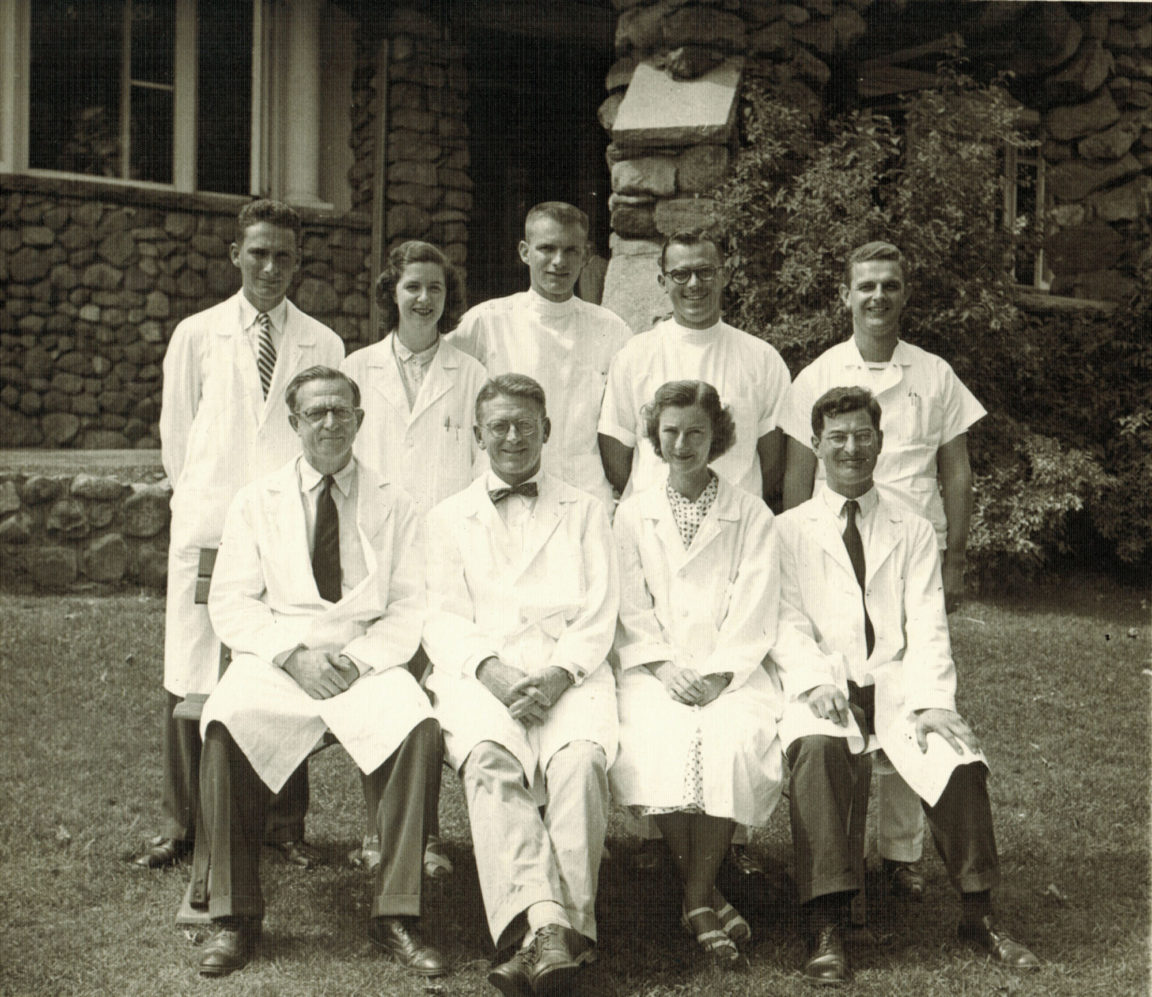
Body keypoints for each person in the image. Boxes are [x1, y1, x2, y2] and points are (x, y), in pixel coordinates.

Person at [772, 386, 1039, 985]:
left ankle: (979, 913)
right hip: (823, 686)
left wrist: (933, 702)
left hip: (896, 687)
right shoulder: (786, 531)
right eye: (837, 437)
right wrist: (813, 681)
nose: (851, 448)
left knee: (956, 755)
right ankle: (826, 924)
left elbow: (927, 624)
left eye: (862, 436)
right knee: (818, 749)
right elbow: (783, 620)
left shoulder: (913, 529)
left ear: (880, 442)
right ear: (815, 444)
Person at [195, 366, 446, 979]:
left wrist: (358, 661)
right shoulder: (256, 501)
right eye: (316, 412)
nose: (331, 423)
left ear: (360, 419)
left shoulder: (396, 502)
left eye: (342, 411)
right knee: (228, 721)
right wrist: (291, 656)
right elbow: (232, 601)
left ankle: (395, 912)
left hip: (365, 659)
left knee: (417, 726)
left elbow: (410, 604)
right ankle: (234, 915)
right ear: (294, 423)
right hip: (281, 657)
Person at [137, 200, 344, 871]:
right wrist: (207, 503)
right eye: (258, 253)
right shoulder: (196, 335)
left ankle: (284, 824)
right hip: (211, 519)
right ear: (235, 255)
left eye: (284, 255)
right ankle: (181, 823)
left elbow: (321, 440)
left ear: (298, 261)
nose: (271, 267)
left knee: (286, 662)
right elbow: (177, 437)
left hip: (287, 527)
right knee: (191, 667)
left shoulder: (322, 342)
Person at [778, 241, 987, 899]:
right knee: (842, 702)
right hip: (831, 542)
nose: (877, 296)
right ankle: (838, 859)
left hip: (908, 545)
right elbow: (797, 477)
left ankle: (901, 854)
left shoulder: (935, 373)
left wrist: (956, 556)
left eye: (889, 285)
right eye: (865, 285)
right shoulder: (816, 374)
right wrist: (796, 543)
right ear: (846, 295)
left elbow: (956, 470)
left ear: (904, 293)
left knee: (913, 686)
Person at [598, 228, 791, 876]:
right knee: (655, 725)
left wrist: (721, 669)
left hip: (727, 546)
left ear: (723, 272)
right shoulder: (636, 354)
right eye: (679, 273)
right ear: (662, 279)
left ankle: (712, 861)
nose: (693, 283)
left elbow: (772, 457)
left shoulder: (760, 357)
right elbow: (617, 448)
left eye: (705, 270)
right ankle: (682, 861)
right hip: (659, 545)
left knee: (733, 730)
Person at [423, 374, 619, 996]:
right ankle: (558, 932)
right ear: (478, 436)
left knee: (580, 763)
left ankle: (537, 934)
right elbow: (441, 617)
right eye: (499, 426)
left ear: (547, 431)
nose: (512, 437)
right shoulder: (447, 518)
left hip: (570, 674)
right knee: (489, 762)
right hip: (482, 678)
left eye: (525, 425)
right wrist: (493, 671)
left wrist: (559, 674)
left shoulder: (586, 510)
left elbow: (601, 612)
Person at [611, 380, 784, 965]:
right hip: (653, 669)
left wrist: (717, 676)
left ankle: (694, 895)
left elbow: (756, 605)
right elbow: (629, 605)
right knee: (657, 736)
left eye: (696, 432)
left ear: (718, 437)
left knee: (729, 741)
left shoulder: (751, 514)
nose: (683, 444)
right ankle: (705, 896)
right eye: (671, 432)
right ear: (654, 437)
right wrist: (663, 668)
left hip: (731, 670)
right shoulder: (632, 514)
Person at [341, 239, 486, 877]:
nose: (424, 299)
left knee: (431, 699)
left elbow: (481, 471)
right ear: (391, 294)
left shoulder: (471, 374)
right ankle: (378, 831)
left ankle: (425, 837)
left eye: (435, 288)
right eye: (412, 287)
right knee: (382, 691)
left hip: (447, 560)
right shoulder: (357, 367)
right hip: (377, 555)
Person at [447, 202, 632, 509]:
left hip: (583, 498)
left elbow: (624, 423)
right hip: (504, 495)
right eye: (547, 248)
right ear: (525, 252)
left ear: (586, 255)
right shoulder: (486, 322)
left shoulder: (612, 330)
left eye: (571, 250)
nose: (559, 261)